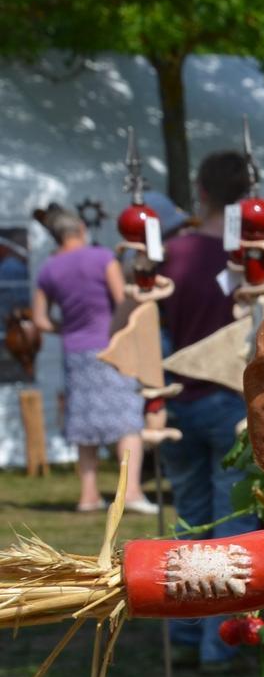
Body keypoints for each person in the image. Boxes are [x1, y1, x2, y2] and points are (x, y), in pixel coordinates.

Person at [157, 150, 264, 667]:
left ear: (202, 191)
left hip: (181, 400)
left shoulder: (175, 252)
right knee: (231, 521)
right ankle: (218, 643)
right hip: (234, 403)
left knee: (191, 517)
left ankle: (189, 634)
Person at [31, 206, 154, 514]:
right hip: (111, 347)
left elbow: (40, 320)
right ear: (81, 229)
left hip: (75, 352)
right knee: (127, 420)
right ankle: (131, 491)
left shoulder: (48, 269)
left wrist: (66, 329)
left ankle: (88, 495)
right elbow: (122, 301)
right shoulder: (101, 257)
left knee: (83, 425)